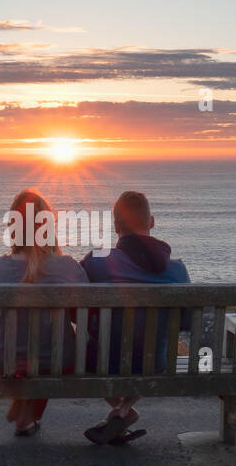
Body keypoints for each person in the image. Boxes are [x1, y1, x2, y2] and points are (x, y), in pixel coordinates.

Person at [80, 190, 190, 445]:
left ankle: (123, 411)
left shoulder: (97, 262)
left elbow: (76, 312)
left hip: (101, 362)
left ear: (116, 226)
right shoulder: (177, 270)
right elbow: (185, 323)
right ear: (151, 222)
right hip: (155, 363)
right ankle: (124, 411)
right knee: (149, 351)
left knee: (82, 347)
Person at [0, 189, 88, 436]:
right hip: (57, 362)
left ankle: (25, 414)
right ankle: (26, 415)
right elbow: (82, 314)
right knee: (50, 352)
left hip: (2, 362)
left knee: (31, 353)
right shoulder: (67, 267)